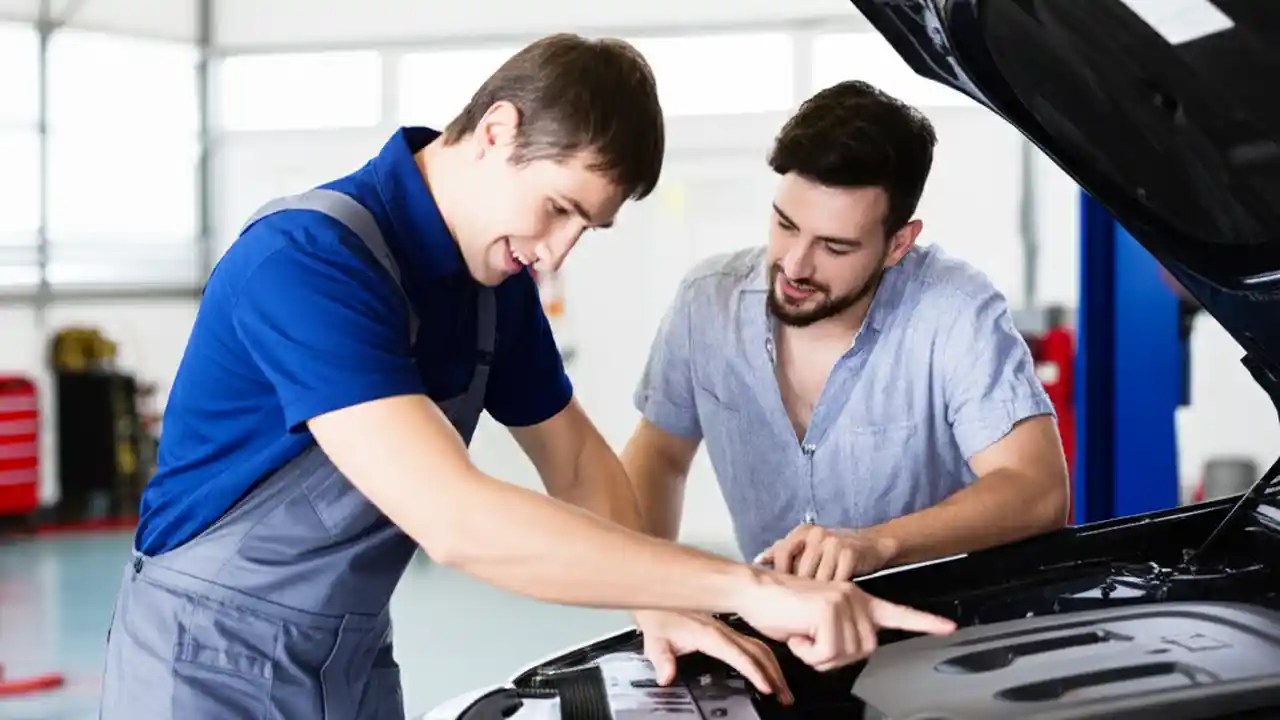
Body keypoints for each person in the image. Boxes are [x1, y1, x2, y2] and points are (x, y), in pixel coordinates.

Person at [97, 38, 955, 719]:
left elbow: (578, 466)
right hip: (202, 665)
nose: (555, 253)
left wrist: (654, 598)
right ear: (498, 130)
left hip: (349, 658)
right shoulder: (307, 262)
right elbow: (456, 519)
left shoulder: (491, 286)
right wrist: (742, 586)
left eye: (589, 228)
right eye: (559, 209)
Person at [623, 80, 1070, 582]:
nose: (793, 265)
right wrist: (654, 595)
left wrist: (879, 543)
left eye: (834, 248)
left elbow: (1038, 489)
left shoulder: (955, 312)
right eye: (785, 225)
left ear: (898, 243)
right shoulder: (706, 304)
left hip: (939, 630)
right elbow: (661, 454)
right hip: (781, 630)